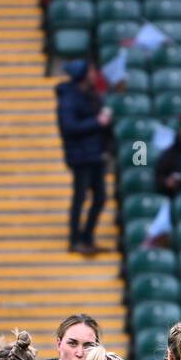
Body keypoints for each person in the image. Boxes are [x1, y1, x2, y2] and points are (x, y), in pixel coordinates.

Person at [56, 59, 111, 254]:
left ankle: (87, 237)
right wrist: (97, 122)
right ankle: (74, 240)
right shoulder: (69, 98)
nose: (95, 73)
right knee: (80, 198)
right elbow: (69, 127)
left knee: (101, 197)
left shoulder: (88, 94)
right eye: (91, 70)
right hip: (80, 156)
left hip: (95, 154)